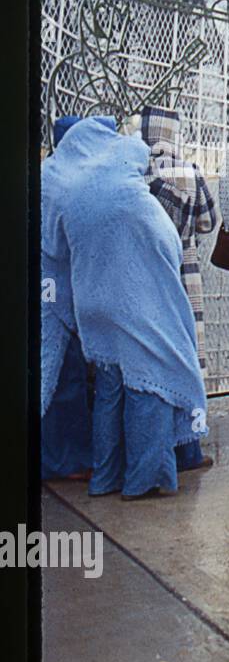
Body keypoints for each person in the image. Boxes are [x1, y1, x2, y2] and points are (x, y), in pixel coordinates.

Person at [43, 117, 207, 497]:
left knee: (109, 387)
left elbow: (54, 251)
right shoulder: (125, 157)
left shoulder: (62, 184)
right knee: (149, 380)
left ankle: (104, 477)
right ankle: (144, 479)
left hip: (93, 301)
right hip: (141, 294)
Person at [139, 105, 217, 471]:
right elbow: (208, 222)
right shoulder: (188, 170)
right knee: (187, 356)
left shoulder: (136, 170)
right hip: (184, 270)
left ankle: (157, 445)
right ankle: (189, 448)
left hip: (147, 273)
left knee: (154, 357)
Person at [40, 115, 116, 482]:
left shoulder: (48, 174)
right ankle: (65, 460)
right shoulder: (68, 181)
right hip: (57, 295)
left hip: (53, 290)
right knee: (63, 378)